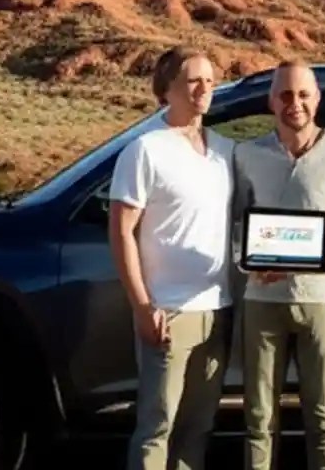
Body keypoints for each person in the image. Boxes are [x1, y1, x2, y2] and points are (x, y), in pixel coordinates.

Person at [232, 59, 325, 470]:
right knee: (258, 418)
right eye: (285, 94)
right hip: (263, 300)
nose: (294, 103)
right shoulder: (247, 155)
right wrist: (250, 263)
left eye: (303, 94)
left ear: (317, 98)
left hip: (321, 302)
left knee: (322, 416)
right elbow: (237, 225)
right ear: (271, 101)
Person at [108, 45, 237, 470]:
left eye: (210, 82)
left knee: (198, 426)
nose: (203, 90)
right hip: (167, 311)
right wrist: (143, 307)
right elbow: (121, 230)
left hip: (217, 309)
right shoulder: (145, 150)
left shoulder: (223, 152)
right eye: (192, 80)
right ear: (167, 90)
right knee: (156, 426)